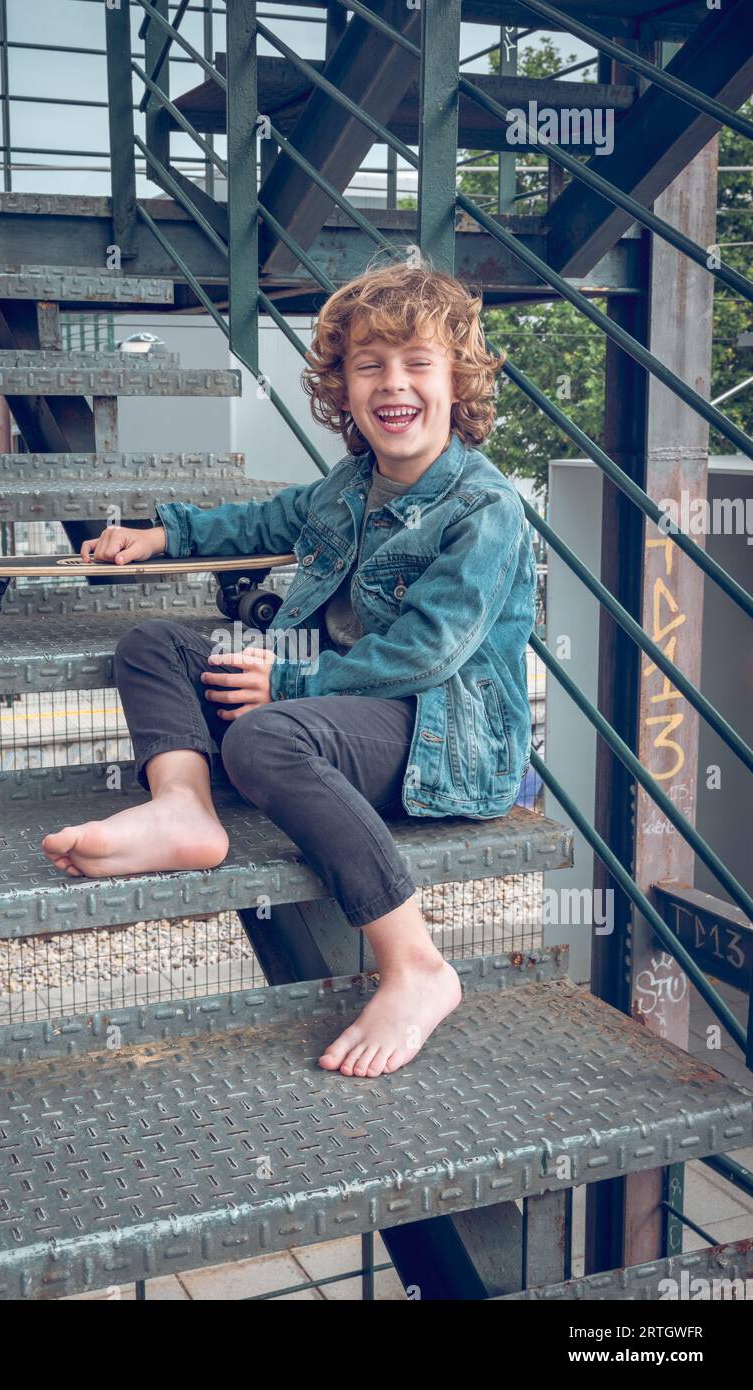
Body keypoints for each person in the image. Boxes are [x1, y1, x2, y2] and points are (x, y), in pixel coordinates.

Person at [43, 259, 536, 1079]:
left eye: (417, 364)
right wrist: (160, 534)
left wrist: (291, 686)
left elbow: (426, 653)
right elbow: (261, 517)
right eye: (368, 365)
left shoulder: (483, 509)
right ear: (340, 389)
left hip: (434, 730)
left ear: (459, 382)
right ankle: (184, 810)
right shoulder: (349, 485)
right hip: (333, 706)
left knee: (266, 737)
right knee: (152, 645)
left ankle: (414, 964)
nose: (393, 384)